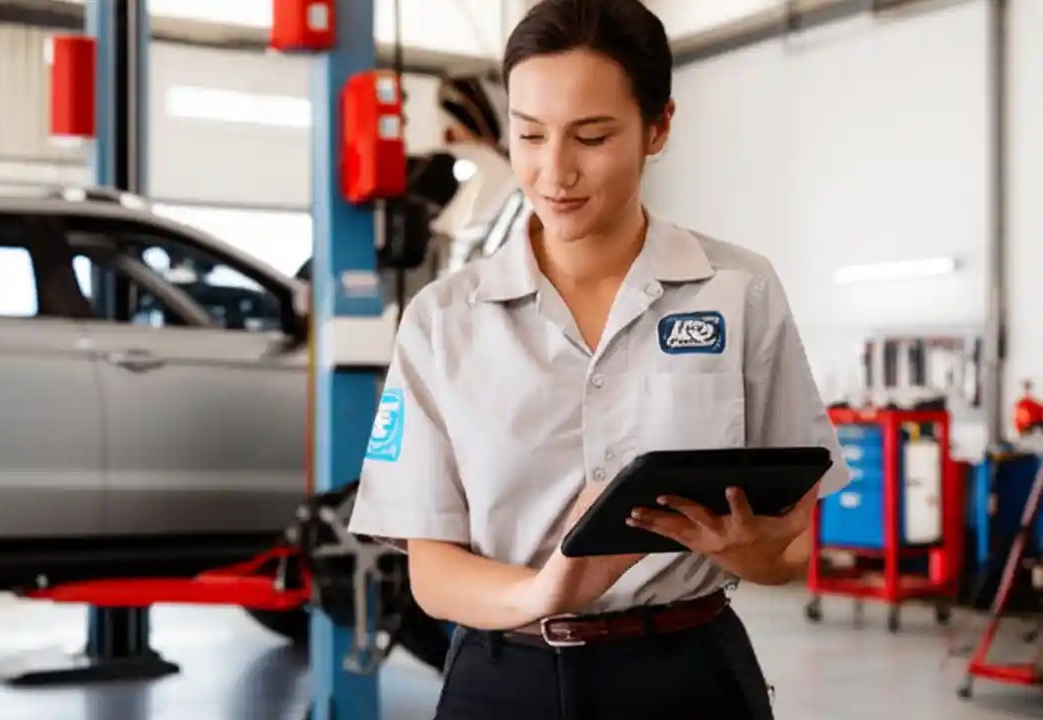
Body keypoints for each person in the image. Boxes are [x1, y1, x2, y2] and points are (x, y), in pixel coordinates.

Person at [347, 0, 851, 718]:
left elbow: (790, 548)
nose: (555, 172)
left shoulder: (740, 291)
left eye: (591, 136)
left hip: (688, 675)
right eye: (529, 135)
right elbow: (432, 573)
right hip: (504, 681)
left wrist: (748, 548)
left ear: (659, 127)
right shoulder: (443, 320)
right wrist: (544, 592)